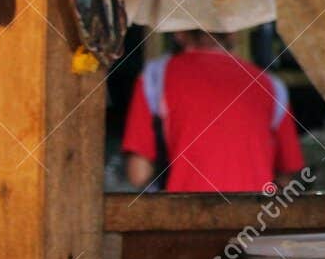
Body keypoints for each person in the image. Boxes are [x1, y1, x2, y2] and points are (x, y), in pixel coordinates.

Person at [121, 30, 306, 192]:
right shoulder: (272, 86)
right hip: (255, 215)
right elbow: (287, 174)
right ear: (233, 33)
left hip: (182, 214)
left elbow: (138, 173)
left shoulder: (154, 77)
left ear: (179, 33)